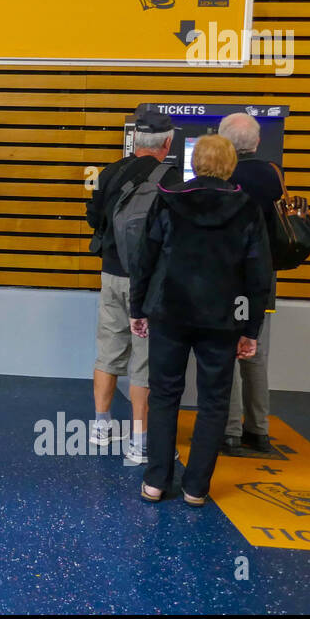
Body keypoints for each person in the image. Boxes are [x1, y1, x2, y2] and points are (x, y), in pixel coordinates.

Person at [129, 135, 272, 505]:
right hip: (223, 318)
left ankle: (156, 481)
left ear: (195, 163)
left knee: (163, 395)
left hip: (169, 311)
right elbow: (259, 274)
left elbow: (146, 258)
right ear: (230, 165)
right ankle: (196, 487)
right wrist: (251, 327)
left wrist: (137, 308)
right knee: (213, 401)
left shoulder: (168, 199)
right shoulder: (246, 207)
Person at [84, 107, 179, 465]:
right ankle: (139, 442)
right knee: (145, 359)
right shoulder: (173, 180)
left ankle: (100, 426)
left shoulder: (105, 172)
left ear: (134, 139)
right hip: (151, 282)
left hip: (111, 272)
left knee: (108, 347)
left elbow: (92, 217)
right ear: (167, 142)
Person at [218, 112, 283, 454]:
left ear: (223, 142)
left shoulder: (223, 175)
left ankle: (229, 431)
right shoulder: (273, 174)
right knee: (256, 351)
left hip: (229, 277)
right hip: (264, 277)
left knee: (227, 351)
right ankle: (258, 430)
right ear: (257, 142)